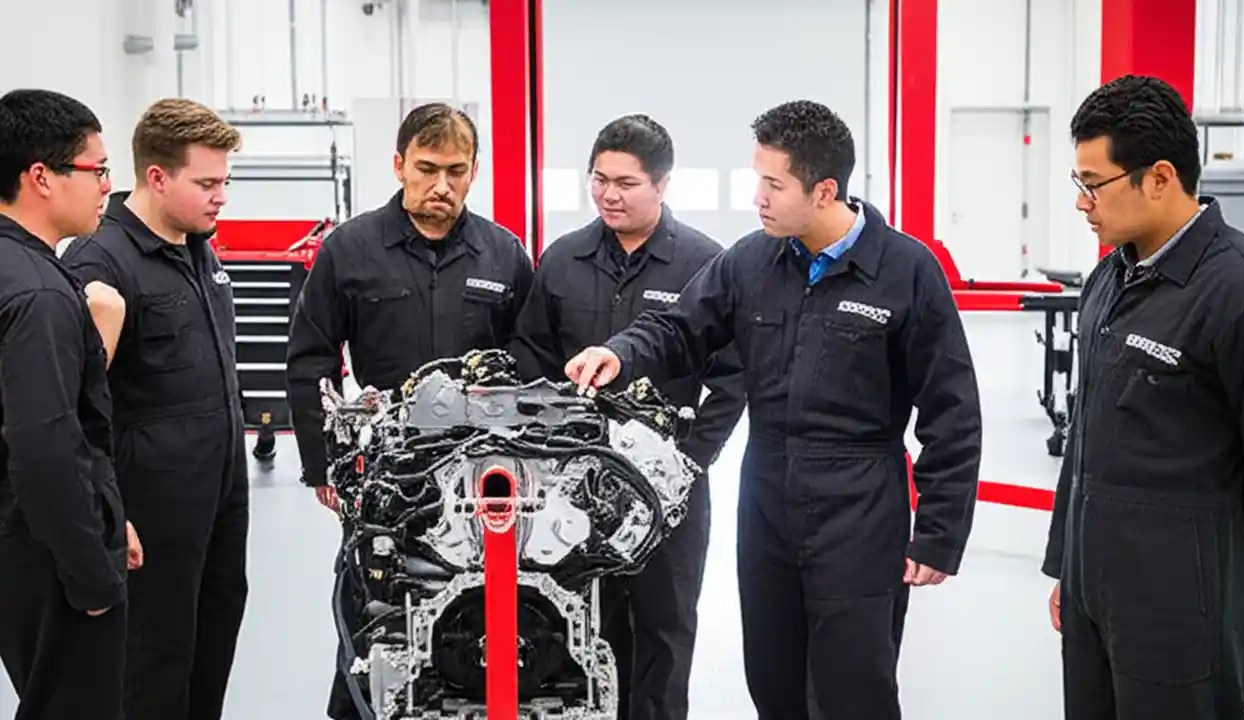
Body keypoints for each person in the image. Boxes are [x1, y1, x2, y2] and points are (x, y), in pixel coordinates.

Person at [564, 100, 982, 719]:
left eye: (773, 184)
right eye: (757, 178)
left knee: (852, 689)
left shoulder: (905, 271)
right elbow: (680, 328)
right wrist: (619, 353)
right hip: (766, 504)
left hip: (859, 508)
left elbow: (952, 410)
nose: (757, 197)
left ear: (824, 191)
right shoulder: (752, 260)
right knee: (772, 678)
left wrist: (940, 532)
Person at [286, 102, 535, 720]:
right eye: (426, 169)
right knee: (371, 619)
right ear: (399, 165)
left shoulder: (504, 255)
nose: (440, 185)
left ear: (474, 171)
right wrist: (323, 466)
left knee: (481, 620)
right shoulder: (350, 250)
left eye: (455, 170)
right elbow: (310, 358)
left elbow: (532, 364)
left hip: (483, 479)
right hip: (385, 477)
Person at [1042, 74, 1244, 720]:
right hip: (1094, 593)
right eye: (1079, 183)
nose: (1082, 202)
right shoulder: (1107, 280)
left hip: (1186, 606)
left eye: (1094, 184)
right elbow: (1085, 436)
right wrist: (1070, 565)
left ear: (1160, 178)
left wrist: (1214, 569)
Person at [509, 114, 745, 720]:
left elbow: (732, 377)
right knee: (583, 622)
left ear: (662, 185)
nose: (608, 194)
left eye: (626, 183)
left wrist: (690, 461)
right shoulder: (562, 260)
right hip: (575, 486)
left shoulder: (705, 264)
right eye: (599, 179)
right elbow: (531, 359)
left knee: (666, 625)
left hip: (669, 487)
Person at [60, 98, 249, 720]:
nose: (221, 197)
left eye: (225, 181)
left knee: (211, 647)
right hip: (150, 508)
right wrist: (105, 510)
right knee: (152, 667)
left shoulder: (198, 248)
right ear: (158, 176)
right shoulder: (100, 262)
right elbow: (72, 408)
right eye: (207, 183)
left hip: (219, 497)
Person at [0, 88, 137, 719]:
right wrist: (90, 571)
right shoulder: (42, 296)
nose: (108, 186)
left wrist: (110, 517)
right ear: (41, 178)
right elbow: (46, 448)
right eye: (97, 169)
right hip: (47, 554)